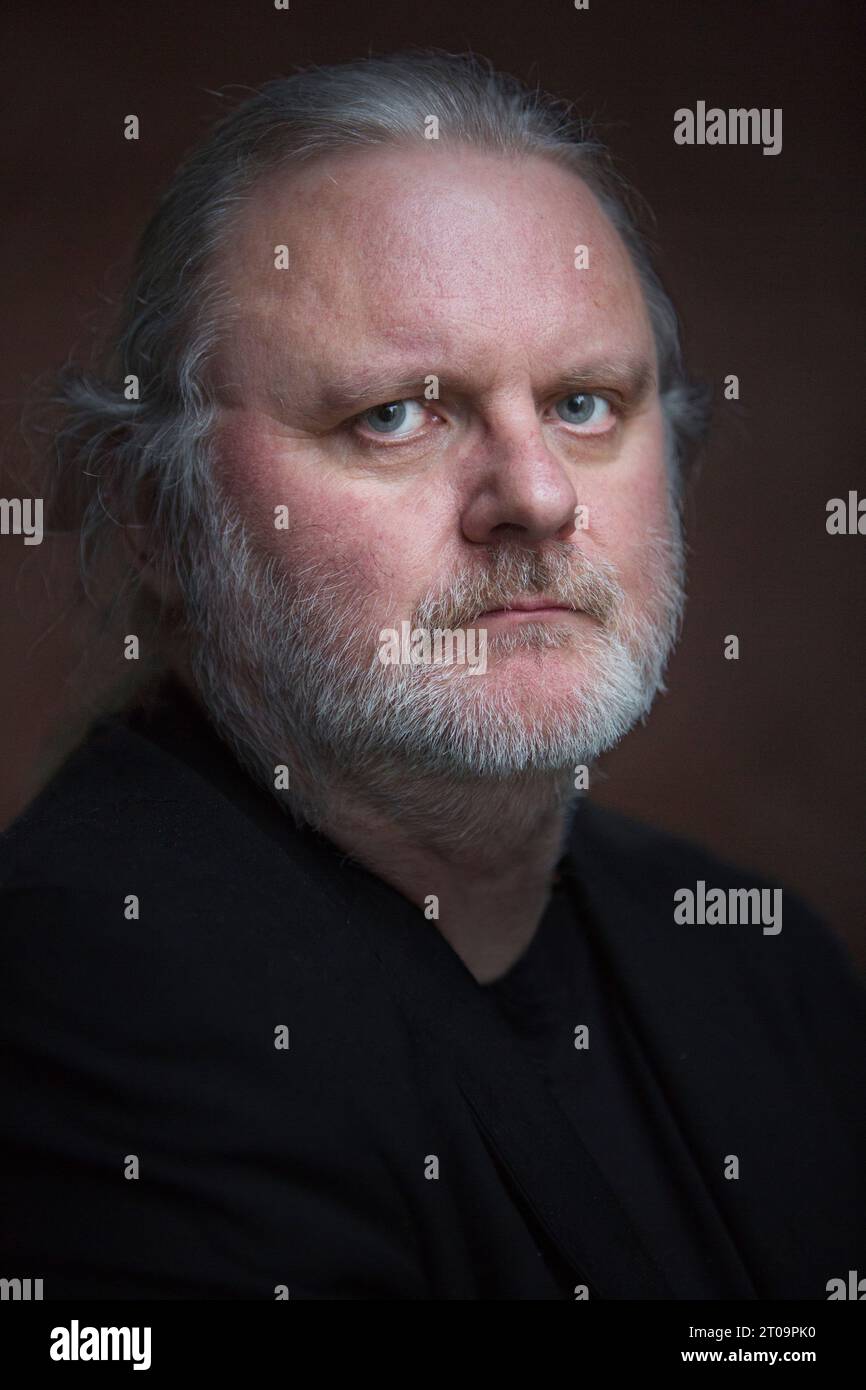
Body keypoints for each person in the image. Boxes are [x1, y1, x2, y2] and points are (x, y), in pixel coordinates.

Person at [1, 50, 863, 1300]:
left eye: (581, 402)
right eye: (396, 414)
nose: (535, 494)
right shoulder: (85, 1000)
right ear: (155, 516)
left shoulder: (758, 956)